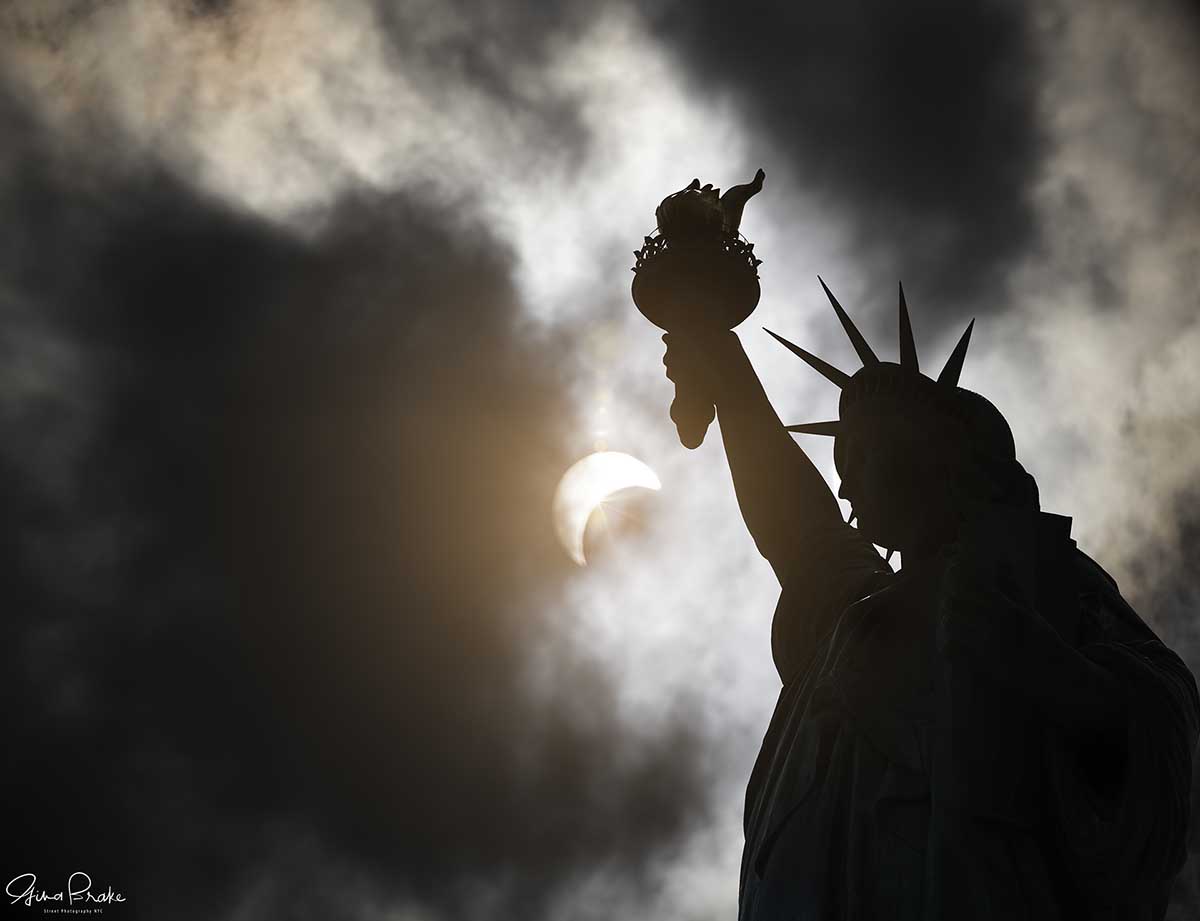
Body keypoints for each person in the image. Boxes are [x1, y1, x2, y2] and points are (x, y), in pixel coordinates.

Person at [661, 283, 1199, 920]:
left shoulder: (1029, 571)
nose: (844, 485)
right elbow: (796, 519)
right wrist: (721, 357)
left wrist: (1048, 671)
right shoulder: (856, 608)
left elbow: (1160, 715)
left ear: (927, 456)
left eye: (858, 457)